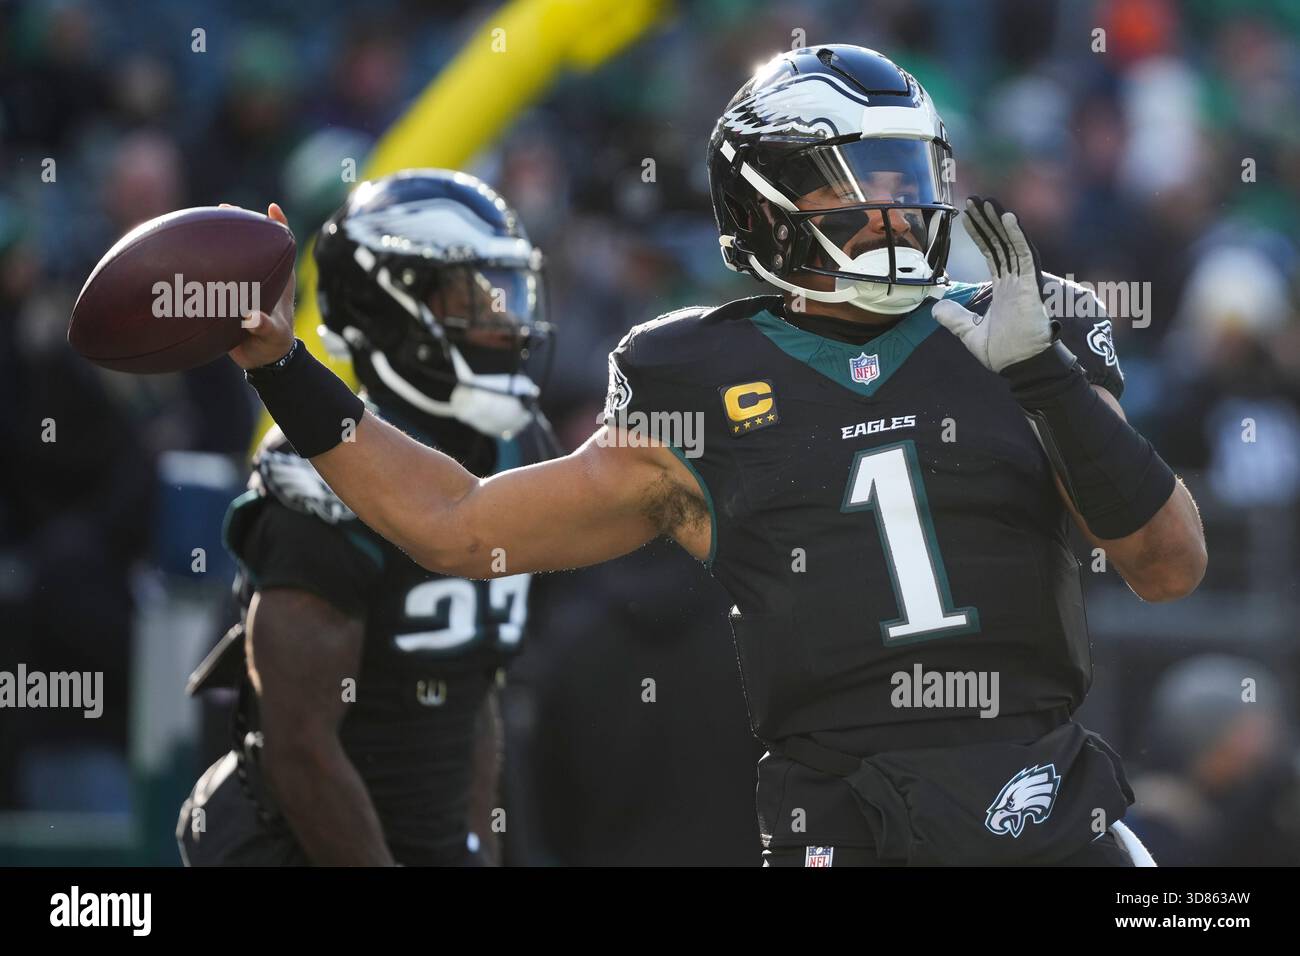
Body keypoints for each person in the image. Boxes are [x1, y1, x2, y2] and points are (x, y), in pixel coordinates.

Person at [226, 47, 1206, 866]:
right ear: (770, 196)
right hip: (845, 830)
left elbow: (1167, 566)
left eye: (914, 176)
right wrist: (284, 364)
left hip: (1045, 812)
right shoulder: (694, 378)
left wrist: (1045, 381)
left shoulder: (1028, 324)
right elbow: (456, 522)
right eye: (867, 179)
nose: (902, 207)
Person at [178, 169, 558, 866]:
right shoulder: (319, 479)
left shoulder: (519, 446)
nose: (504, 323)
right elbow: (301, 750)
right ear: (392, 310)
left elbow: (476, 697)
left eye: (507, 293)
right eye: (470, 298)